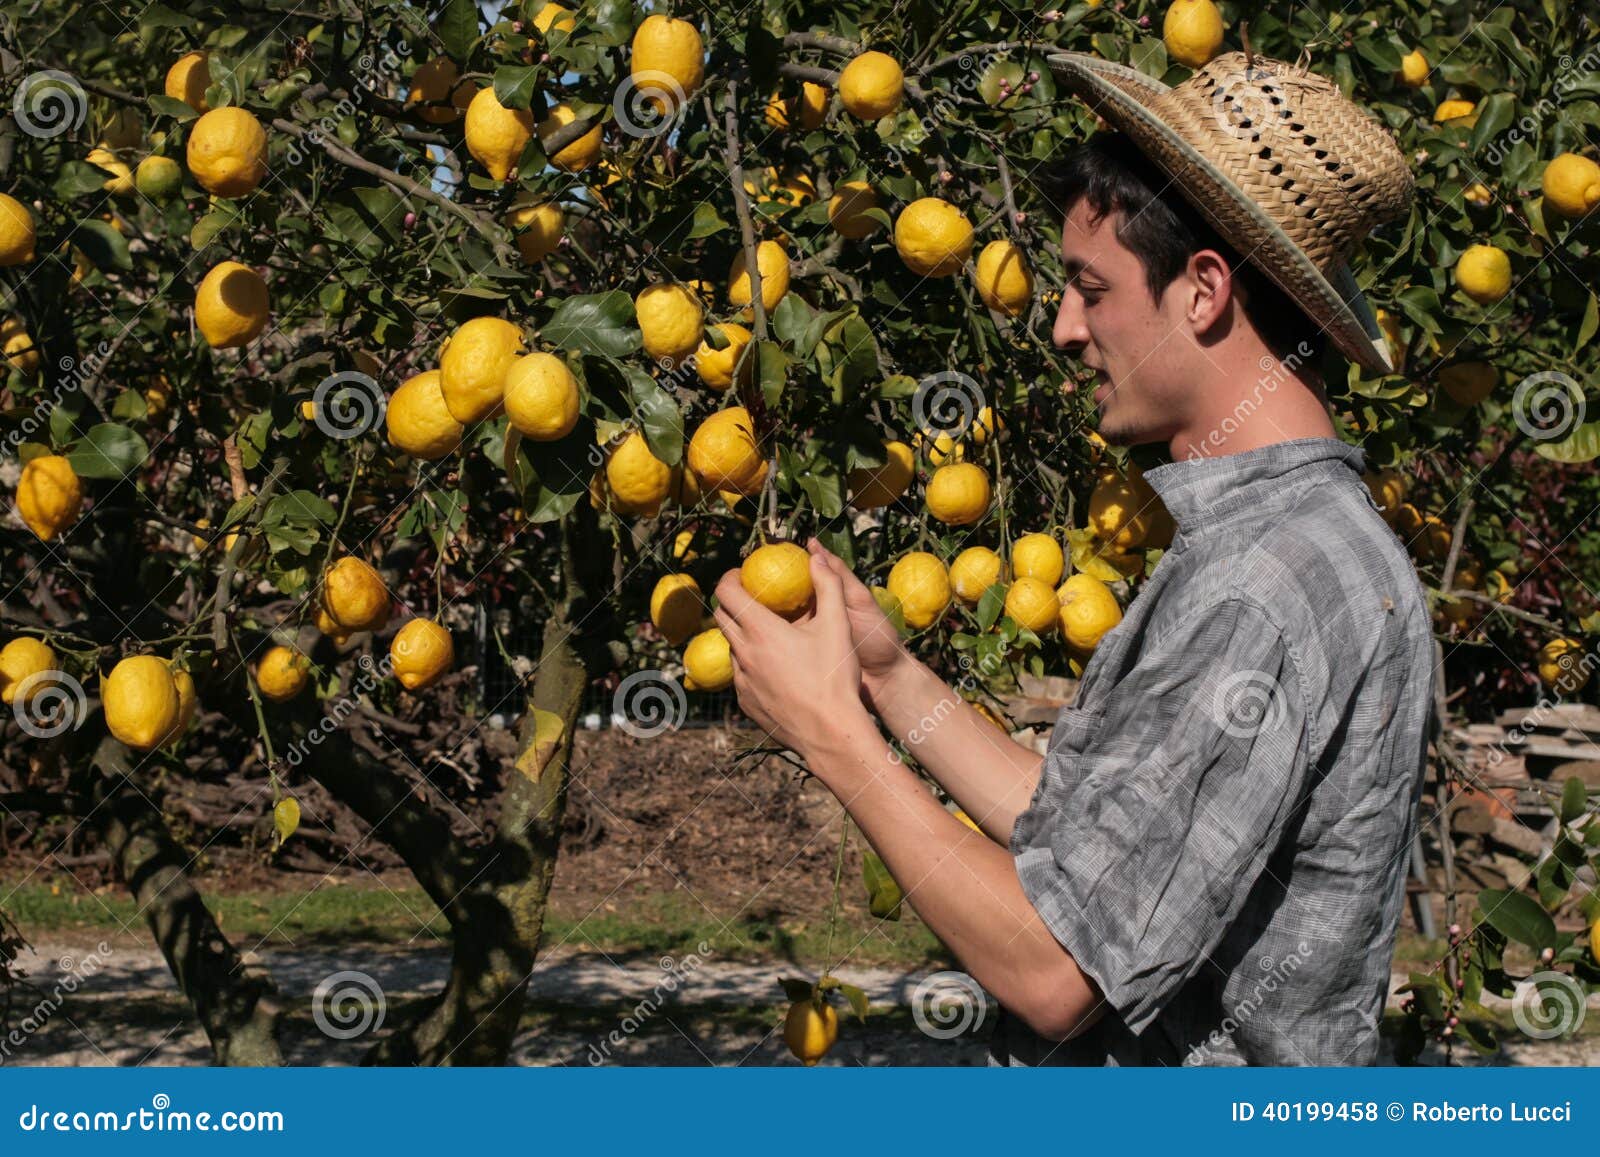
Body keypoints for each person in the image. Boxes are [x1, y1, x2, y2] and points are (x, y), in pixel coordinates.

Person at [712, 50, 1434, 1065]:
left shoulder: (1264, 581)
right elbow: (1090, 843)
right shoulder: (1289, 540)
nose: (1061, 327)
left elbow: (1056, 967)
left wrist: (830, 731)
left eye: (1089, 289)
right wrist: (885, 673)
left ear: (1203, 291)